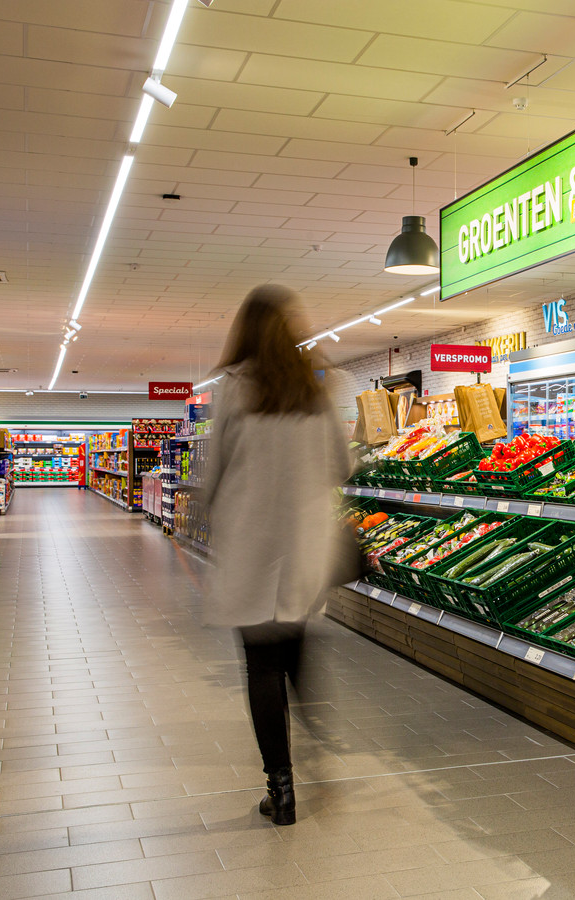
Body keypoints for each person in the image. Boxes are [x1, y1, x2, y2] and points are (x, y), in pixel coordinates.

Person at [202, 284, 350, 826]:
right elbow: (341, 465)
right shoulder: (317, 389)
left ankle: (281, 791)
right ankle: (314, 721)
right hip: (303, 548)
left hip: (251, 548)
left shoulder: (236, 389)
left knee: (261, 665)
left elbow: (214, 472)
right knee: (292, 641)